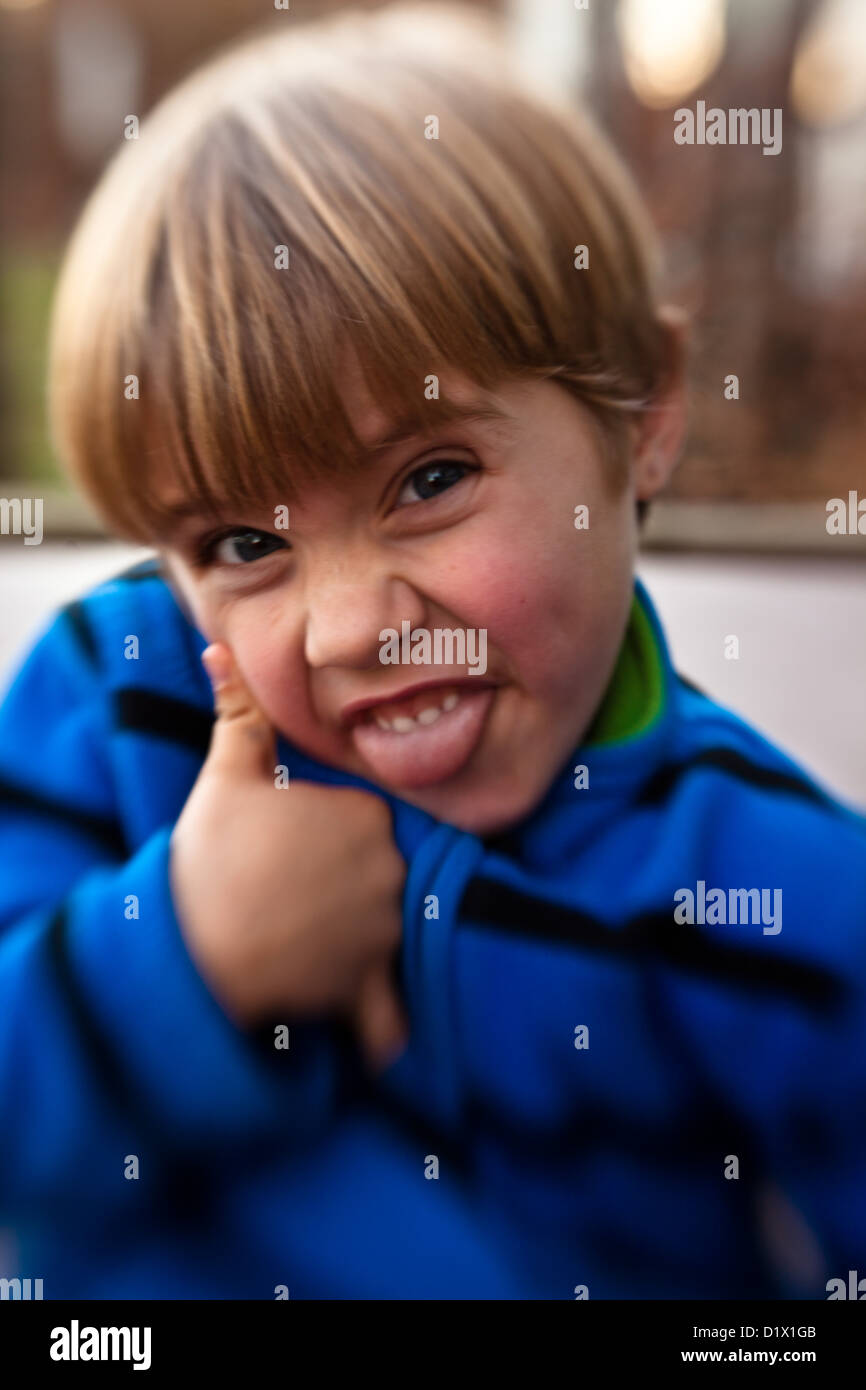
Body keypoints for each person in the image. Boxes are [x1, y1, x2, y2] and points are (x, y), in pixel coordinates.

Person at [1, 2, 864, 1299]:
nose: (350, 626)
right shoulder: (119, 707)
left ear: (643, 416)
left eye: (431, 476)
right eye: (241, 543)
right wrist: (186, 951)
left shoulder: (773, 896)